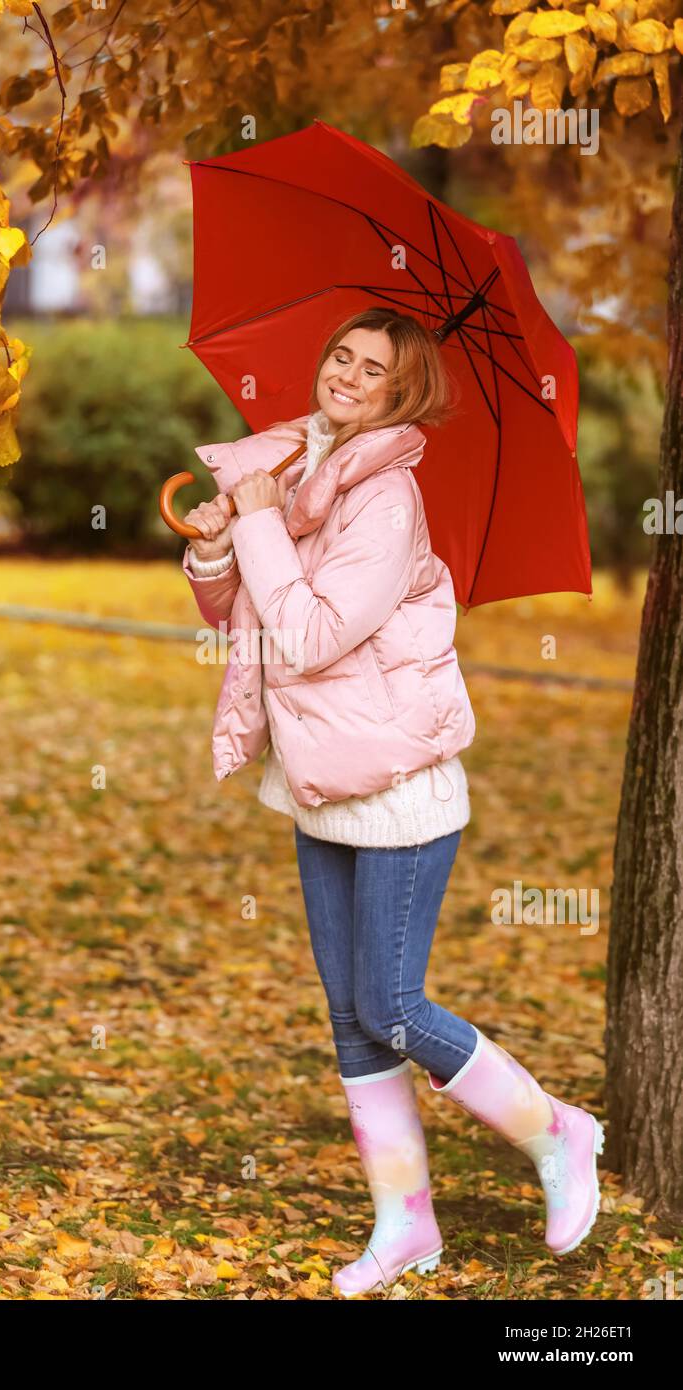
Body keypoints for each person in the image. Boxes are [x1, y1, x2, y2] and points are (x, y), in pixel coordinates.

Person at [180, 307, 604, 1298]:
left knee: (393, 1003)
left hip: (401, 791)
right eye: (340, 355)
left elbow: (310, 633)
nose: (346, 375)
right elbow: (239, 610)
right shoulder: (290, 467)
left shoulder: (385, 501)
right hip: (319, 779)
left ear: (398, 395)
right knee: (350, 1018)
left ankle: (556, 1132)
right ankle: (404, 1222)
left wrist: (250, 518)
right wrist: (215, 542)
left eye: (373, 370)